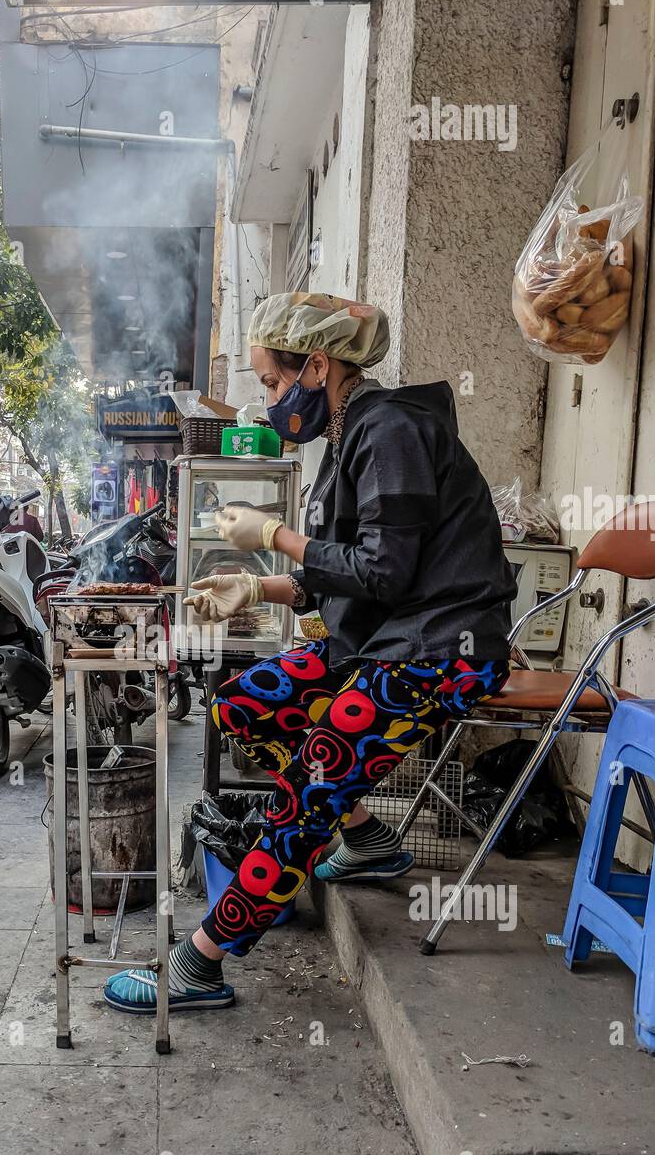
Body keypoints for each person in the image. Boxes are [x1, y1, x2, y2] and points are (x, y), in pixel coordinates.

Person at [105, 292, 516, 1016]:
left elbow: (382, 571)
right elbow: (353, 570)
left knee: (309, 786)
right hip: (387, 642)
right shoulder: (351, 431)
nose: (269, 401)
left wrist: (274, 538)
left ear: (318, 366)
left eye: (270, 383)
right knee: (243, 701)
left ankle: (198, 965)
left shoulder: (389, 430)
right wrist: (256, 587)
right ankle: (365, 840)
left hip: (439, 652)